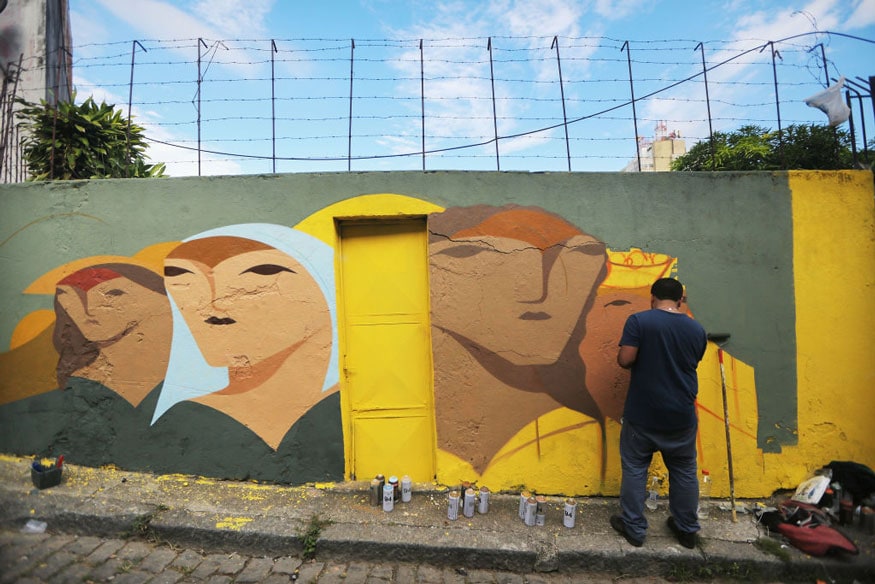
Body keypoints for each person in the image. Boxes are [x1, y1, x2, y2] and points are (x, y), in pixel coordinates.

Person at [611, 277, 707, 548]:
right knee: (684, 469)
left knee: (635, 466)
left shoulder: (640, 321)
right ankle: (687, 529)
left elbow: (625, 359)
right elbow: (692, 361)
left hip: (643, 412)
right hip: (681, 414)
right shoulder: (696, 329)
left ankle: (634, 529)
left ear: (652, 298)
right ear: (680, 301)